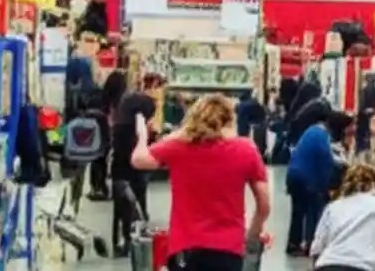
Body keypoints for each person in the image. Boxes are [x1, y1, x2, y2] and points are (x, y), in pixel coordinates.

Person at [131, 94, 271, 271]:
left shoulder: (179, 146)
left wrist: (143, 134)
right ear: (230, 119)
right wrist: (253, 234)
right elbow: (264, 205)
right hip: (228, 250)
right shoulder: (247, 150)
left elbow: (138, 160)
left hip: (186, 248)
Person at [109, 73, 165, 257]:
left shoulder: (121, 120)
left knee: (120, 205)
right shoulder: (140, 119)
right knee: (135, 200)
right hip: (134, 166)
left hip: (119, 166)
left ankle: (120, 240)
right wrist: (144, 135)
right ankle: (133, 237)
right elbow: (143, 144)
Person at [286, 109, 353, 256]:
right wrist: (326, 189)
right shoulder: (322, 137)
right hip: (307, 179)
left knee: (298, 212)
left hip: (293, 174)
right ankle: (311, 245)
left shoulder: (314, 130)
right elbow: (326, 164)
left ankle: (293, 244)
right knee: (314, 211)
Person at [85, 71, 128, 201]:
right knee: (104, 160)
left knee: (97, 160)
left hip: (94, 133)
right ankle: (101, 187)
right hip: (107, 133)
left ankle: (96, 187)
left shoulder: (98, 96)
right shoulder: (120, 101)